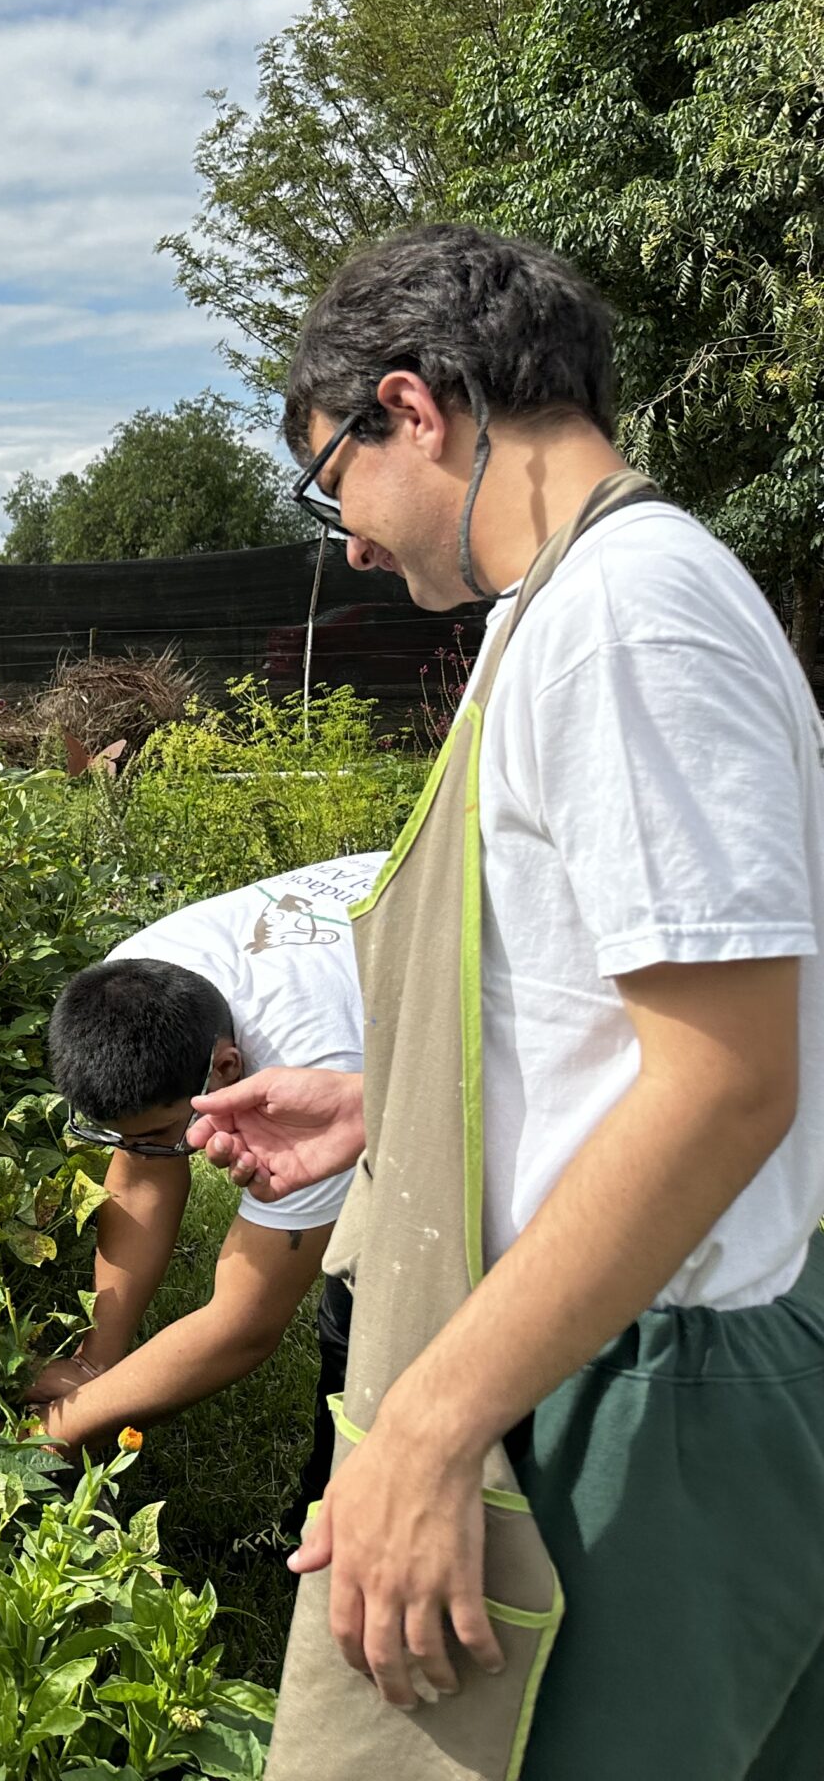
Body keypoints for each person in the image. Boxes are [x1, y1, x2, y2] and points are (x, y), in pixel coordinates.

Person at [192, 225, 824, 1780]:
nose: (343, 538)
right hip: (607, 1345)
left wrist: (423, 1423)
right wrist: (383, 1107)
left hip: (640, 1384)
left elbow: (729, 1081)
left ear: (414, 408)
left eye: (330, 478)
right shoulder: (560, 616)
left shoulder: (629, 615)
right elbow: (633, 1026)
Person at [31, 854, 382, 1521]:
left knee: (369, 1304)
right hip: (392, 911)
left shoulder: (316, 1069)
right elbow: (142, 1171)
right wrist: (94, 1365)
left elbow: (244, 1325)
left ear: (229, 1066)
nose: (150, 1150)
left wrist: (57, 1431)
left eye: (170, 1128)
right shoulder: (132, 983)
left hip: (496, 981)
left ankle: (337, 1511)